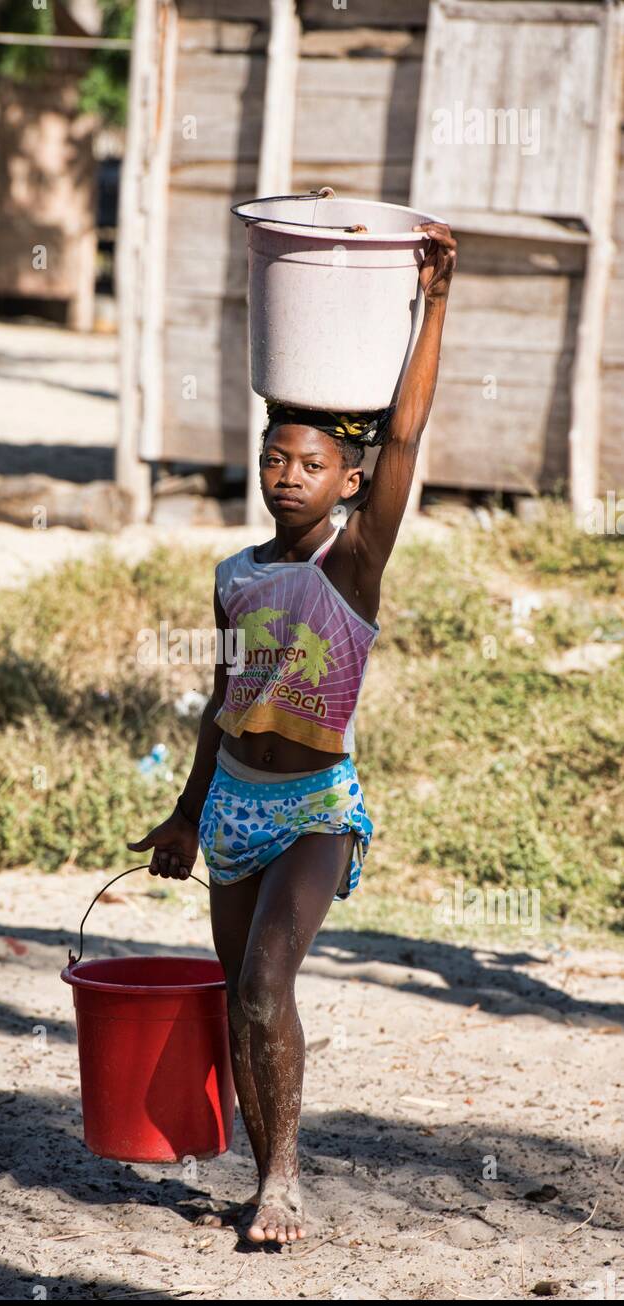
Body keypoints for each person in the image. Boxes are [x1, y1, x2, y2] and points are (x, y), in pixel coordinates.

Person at [127, 223, 457, 1244]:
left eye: (310, 463)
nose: (287, 474)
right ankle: (258, 1168)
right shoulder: (236, 575)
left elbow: (400, 438)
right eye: (275, 458)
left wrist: (432, 303)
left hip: (315, 806)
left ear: (347, 482)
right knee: (241, 1001)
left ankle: (283, 1183)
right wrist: (185, 815)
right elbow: (219, 702)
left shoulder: (350, 569)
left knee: (270, 978)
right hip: (230, 802)